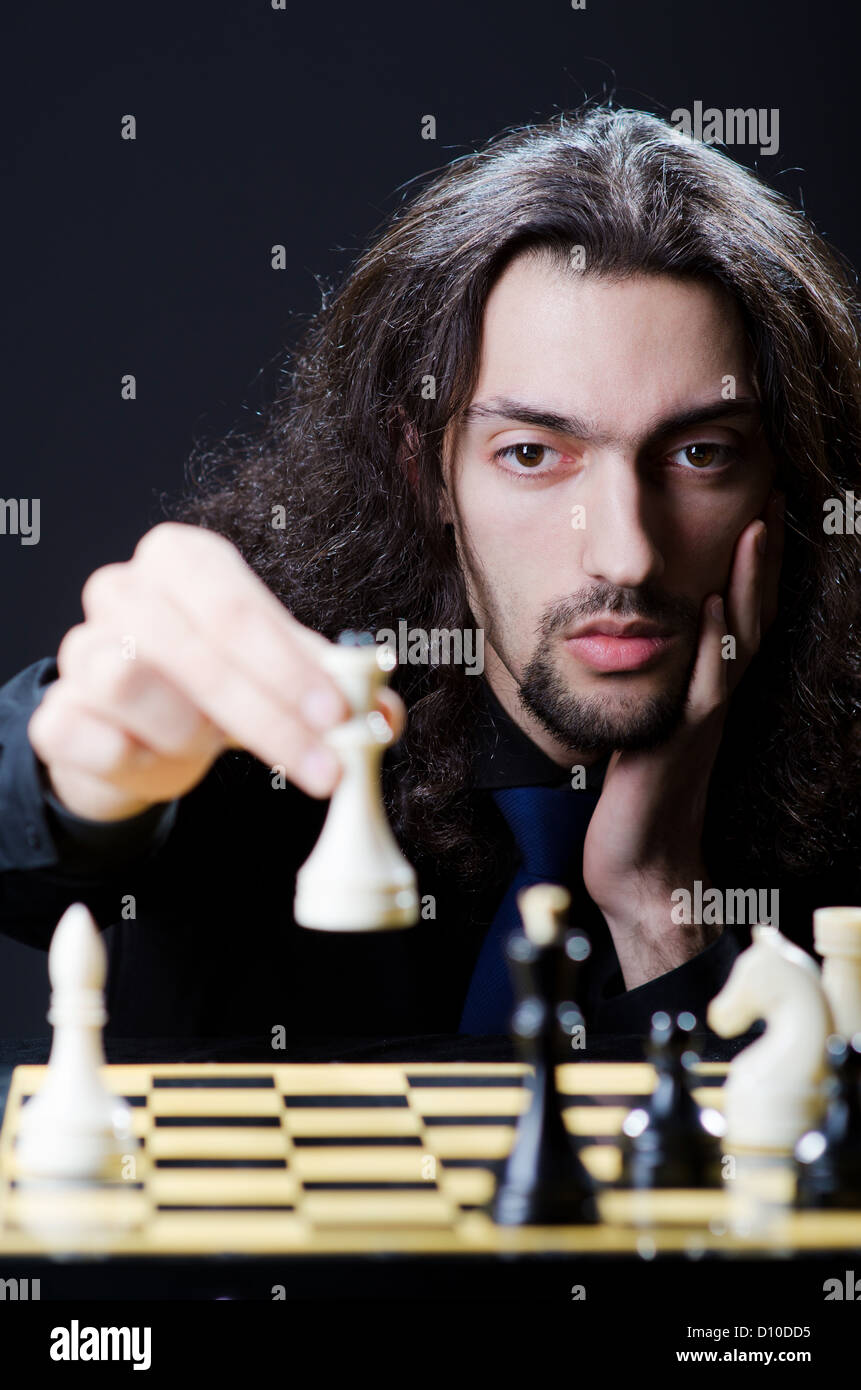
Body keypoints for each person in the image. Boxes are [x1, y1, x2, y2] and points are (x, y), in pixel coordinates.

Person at [0, 104, 858, 1045]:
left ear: (783, 478)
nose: (625, 554)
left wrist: (658, 902)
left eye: (699, 454)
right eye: (533, 454)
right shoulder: (249, 738)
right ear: (427, 473)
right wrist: (77, 776)